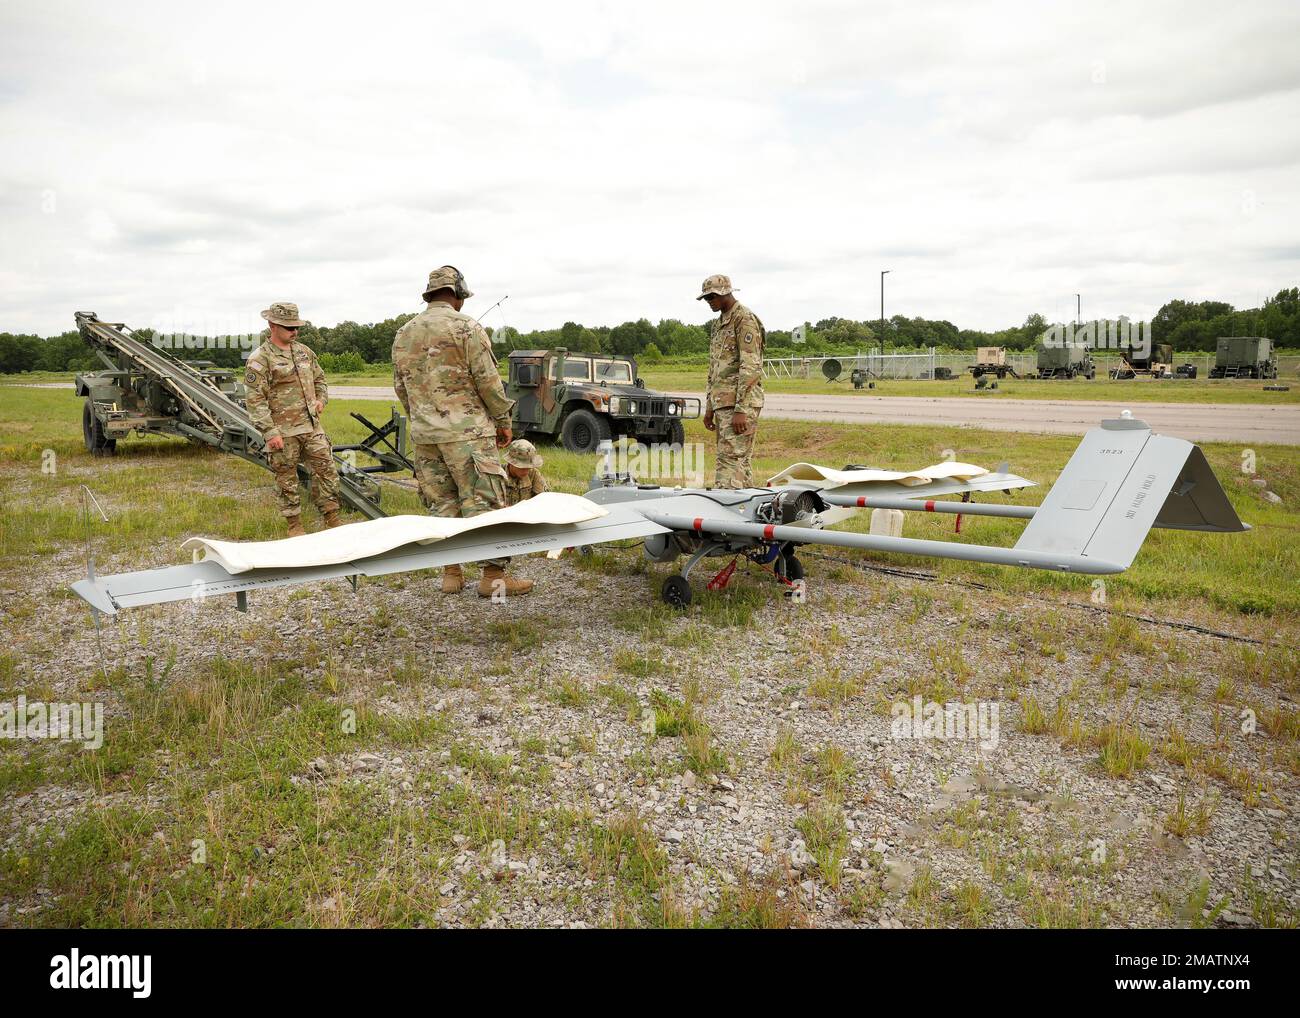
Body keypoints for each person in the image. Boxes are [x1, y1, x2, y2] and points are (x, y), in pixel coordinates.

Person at [391, 265, 532, 596]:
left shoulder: (403, 333)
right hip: (468, 434)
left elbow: (401, 386)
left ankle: (451, 573)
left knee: (442, 503)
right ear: (457, 295)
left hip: (426, 436)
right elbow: (488, 381)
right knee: (484, 501)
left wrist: (422, 420)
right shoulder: (467, 328)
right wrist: (503, 421)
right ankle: (492, 579)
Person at [244, 302, 342, 536]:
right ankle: (294, 525)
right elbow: (255, 400)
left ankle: (332, 517)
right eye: (288, 327)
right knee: (287, 478)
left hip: (311, 426)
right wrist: (270, 432)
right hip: (283, 431)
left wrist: (321, 400)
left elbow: (320, 380)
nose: (294, 331)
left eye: (296, 327)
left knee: (326, 469)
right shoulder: (260, 359)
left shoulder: (304, 352)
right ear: (272, 325)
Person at [699, 274, 764, 487]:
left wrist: (741, 409)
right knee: (736, 462)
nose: (709, 302)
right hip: (722, 404)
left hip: (739, 404)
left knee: (731, 461)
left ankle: (726, 509)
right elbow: (715, 368)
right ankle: (745, 510)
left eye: (712, 297)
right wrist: (710, 406)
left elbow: (751, 365)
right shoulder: (718, 325)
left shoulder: (743, 319)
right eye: (706, 299)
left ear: (726, 293)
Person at [502, 439, 548, 505]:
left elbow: (543, 500)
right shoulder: (498, 475)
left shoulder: (533, 474)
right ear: (511, 463)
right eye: (522, 467)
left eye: (528, 467)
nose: (526, 471)